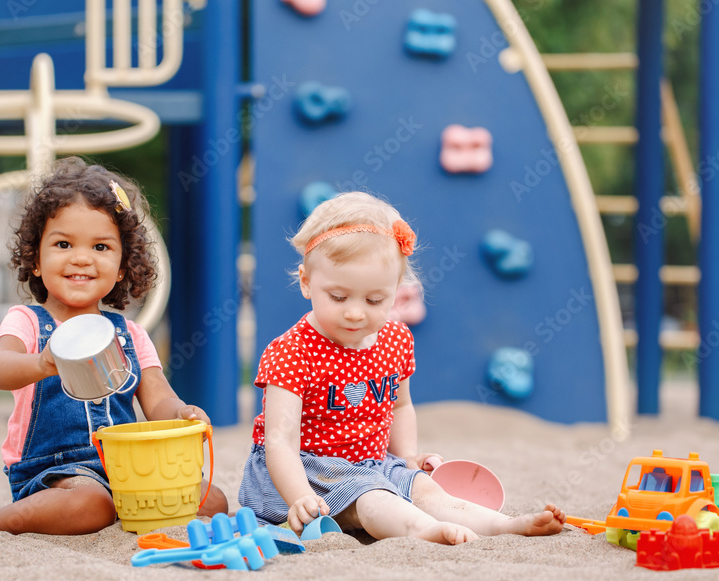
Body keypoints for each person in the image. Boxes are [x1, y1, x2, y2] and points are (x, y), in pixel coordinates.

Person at [238, 191, 564, 545]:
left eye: (375, 300)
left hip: (372, 463)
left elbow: (400, 405)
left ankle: (503, 525)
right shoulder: (292, 352)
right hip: (307, 472)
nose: (356, 312)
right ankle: (421, 531)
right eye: (338, 297)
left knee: (426, 489)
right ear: (306, 282)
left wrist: (407, 456)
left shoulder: (395, 340)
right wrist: (299, 496)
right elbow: (279, 441)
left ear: (396, 291)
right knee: (373, 498)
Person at [0, 157, 227, 535]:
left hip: (127, 467)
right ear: (36, 260)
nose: (81, 258)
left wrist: (182, 412)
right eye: (63, 244)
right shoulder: (27, 322)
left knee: (213, 499)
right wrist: (41, 363)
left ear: (123, 265)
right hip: (54, 472)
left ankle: (125, 508)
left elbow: (158, 400)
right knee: (89, 504)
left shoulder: (130, 334)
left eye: (101, 247)